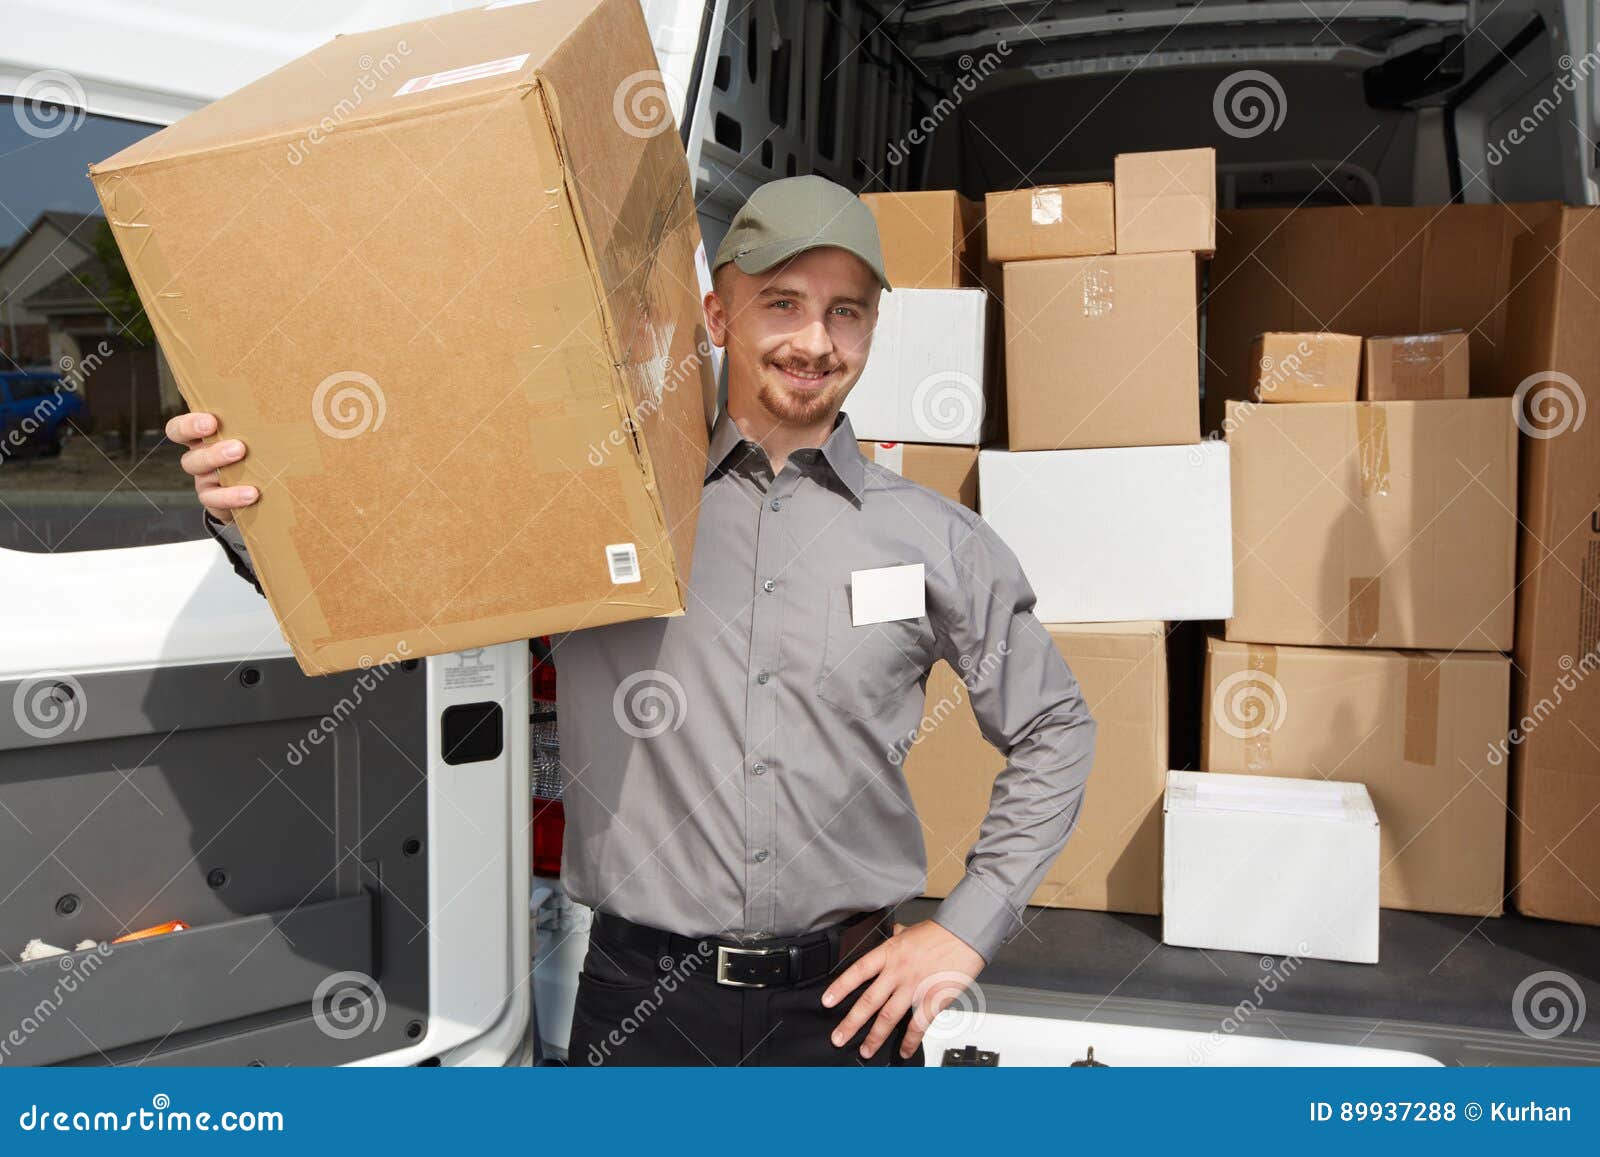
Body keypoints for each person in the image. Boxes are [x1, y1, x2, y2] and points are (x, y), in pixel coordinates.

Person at [168, 174, 1096, 1067]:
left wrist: (964, 928)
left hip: (851, 1011)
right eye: (782, 303)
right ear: (718, 317)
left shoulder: (937, 538)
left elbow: (1055, 725)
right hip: (642, 1001)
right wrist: (245, 510)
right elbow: (397, 589)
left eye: (846, 310)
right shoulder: (601, 511)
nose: (816, 339)